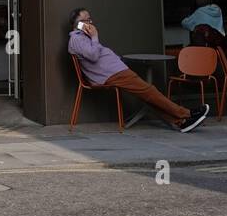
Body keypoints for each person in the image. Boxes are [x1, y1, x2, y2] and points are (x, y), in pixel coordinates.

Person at [67, 9, 209, 132]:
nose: (89, 23)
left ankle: (181, 122)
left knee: (147, 93)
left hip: (115, 71)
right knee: (149, 91)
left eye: (89, 19)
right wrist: (95, 37)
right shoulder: (77, 39)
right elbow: (93, 55)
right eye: (84, 20)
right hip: (110, 74)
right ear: (76, 24)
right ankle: (186, 114)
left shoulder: (83, 37)